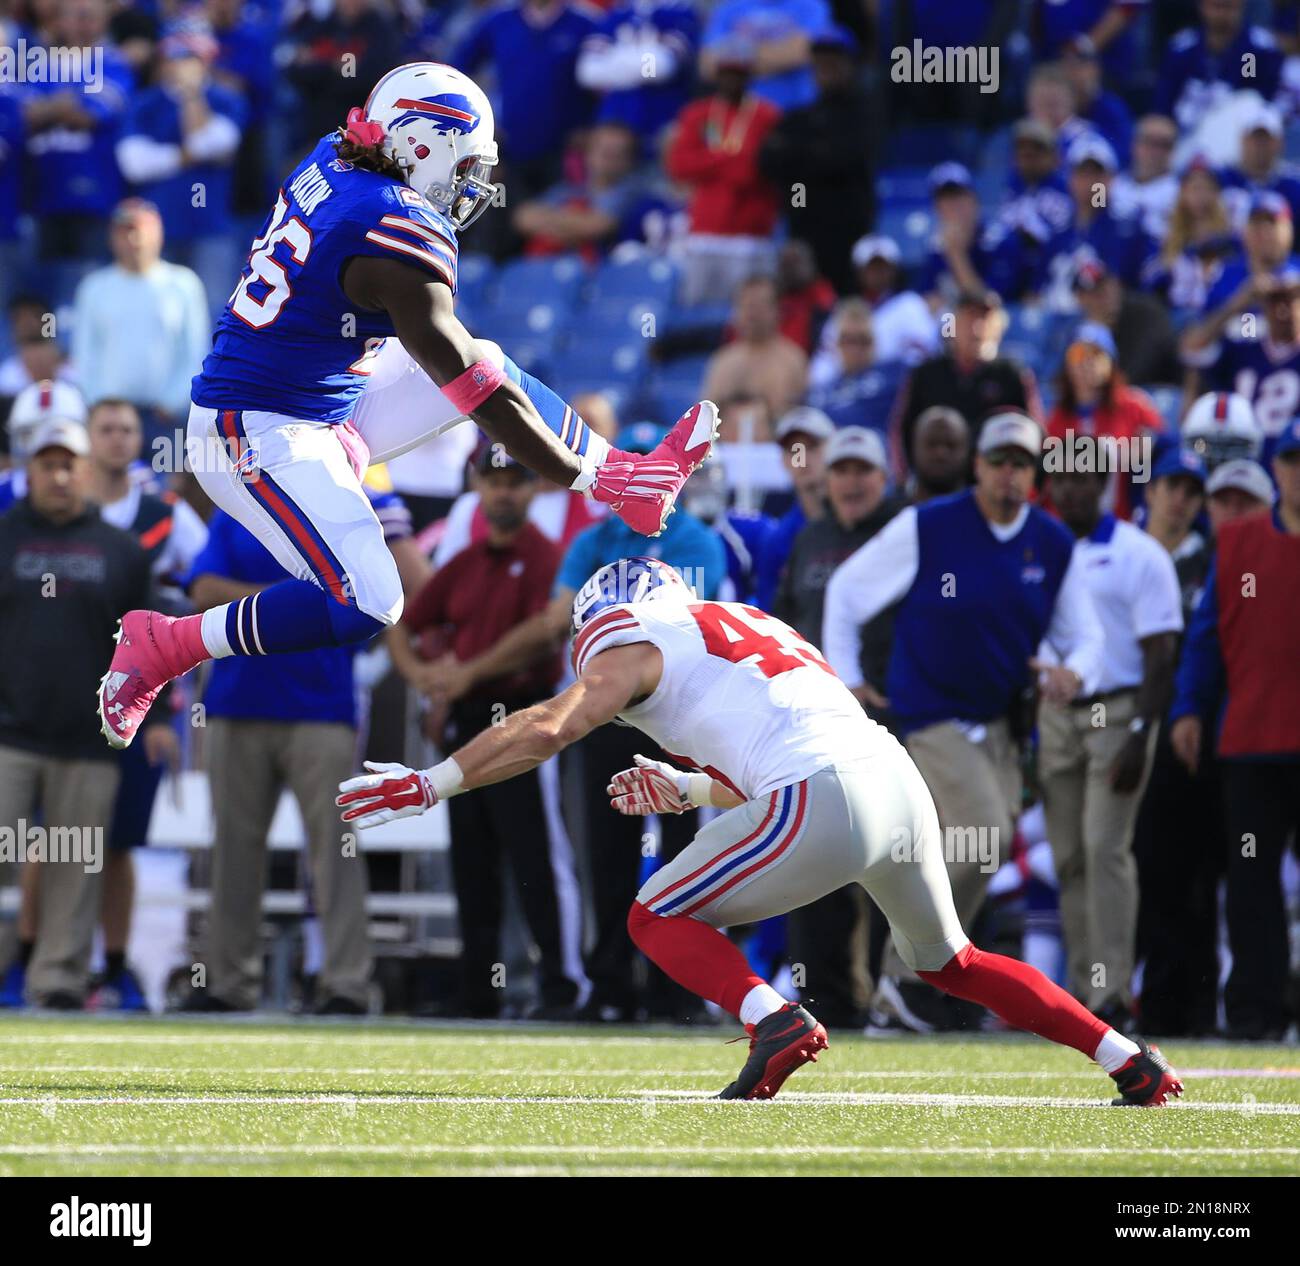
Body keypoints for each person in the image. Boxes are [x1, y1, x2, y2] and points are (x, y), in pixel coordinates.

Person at [338, 556, 1183, 1107]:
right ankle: (1126, 1059)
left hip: (824, 791)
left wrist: (432, 780)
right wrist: (685, 784)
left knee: (652, 915)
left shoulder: (634, 639)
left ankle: (773, 1018)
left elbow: (552, 725)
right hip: (892, 784)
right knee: (952, 962)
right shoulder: (744, 627)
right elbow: (771, 749)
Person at [98, 62, 719, 754]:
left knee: (482, 352)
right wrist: (581, 479)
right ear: (422, 144)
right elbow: (475, 394)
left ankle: (628, 477)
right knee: (371, 598)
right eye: (463, 166)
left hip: (314, 398)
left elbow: (464, 364)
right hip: (254, 433)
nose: (468, 188)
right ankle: (166, 643)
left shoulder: (338, 152)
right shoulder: (392, 225)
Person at [822, 412, 1105, 1033]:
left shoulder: (1052, 543)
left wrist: (1073, 673)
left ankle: (919, 984)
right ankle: (907, 976)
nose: (1008, 474)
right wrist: (845, 677)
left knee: (961, 848)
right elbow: (847, 589)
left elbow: (1085, 635)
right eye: (998, 461)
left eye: (1021, 464)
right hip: (928, 714)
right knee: (982, 833)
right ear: (977, 464)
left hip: (1002, 725)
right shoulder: (929, 524)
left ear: (1035, 475)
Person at [391, 443, 587, 1019]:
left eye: (515, 481)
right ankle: (480, 990)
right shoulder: (467, 560)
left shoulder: (549, 557)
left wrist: (461, 673)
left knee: (538, 857)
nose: (503, 491)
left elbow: (541, 636)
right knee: (472, 858)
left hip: (526, 716)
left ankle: (562, 986)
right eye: (493, 479)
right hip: (469, 718)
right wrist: (425, 677)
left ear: (533, 490)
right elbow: (407, 620)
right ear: (476, 485)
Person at [0, 415, 168, 1009]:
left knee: (75, 868)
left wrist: (163, 719)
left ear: (86, 470)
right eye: (48, 464)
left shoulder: (121, 551)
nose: (60, 475)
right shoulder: (3, 537)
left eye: (69, 463)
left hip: (89, 739)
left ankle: (59, 980)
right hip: (9, 737)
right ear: (28, 471)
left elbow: (149, 644)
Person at [1037, 464, 1183, 1028]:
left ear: (1104, 486)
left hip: (1116, 712)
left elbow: (1161, 653)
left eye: (1083, 479)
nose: (1071, 489)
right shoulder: (1042, 547)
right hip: (1055, 712)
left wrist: (1143, 732)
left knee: (1104, 849)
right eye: (1062, 479)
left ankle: (1114, 992)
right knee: (1070, 858)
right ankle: (1084, 993)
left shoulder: (1139, 552)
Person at [1168, 417, 1300, 1040]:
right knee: (1250, 883)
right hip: (1252, 740)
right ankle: (1254, 1011)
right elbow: (1205, 641)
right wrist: (1189, 710)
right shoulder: (1237, 543)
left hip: (1267, 736)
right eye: (1293, 459)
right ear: (1278, 470)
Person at [1131, 447, 1222, 1037]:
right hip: (1124, 728)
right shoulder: (1121, 554)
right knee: (1138, 869)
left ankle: (1193, 1006)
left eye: (1192, 488)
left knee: (1197, 874)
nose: (1180, 498)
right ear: (1150, 490)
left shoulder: (1213, 561)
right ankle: (1146, 999)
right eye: (1171, 485)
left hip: (1193, 736)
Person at [116, 24, 248, 313]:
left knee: (214, 312)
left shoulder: (226, 99)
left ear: (206, 62)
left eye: (190, 59)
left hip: (211, 226)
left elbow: (215, 144)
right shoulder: (145, 103)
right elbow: (133, 164)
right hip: (155, 229)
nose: (180, 67)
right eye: (175, 59)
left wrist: (191, 97)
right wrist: (184, 155)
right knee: (155, 313)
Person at [71, 199, 211, 435]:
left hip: (166, 418)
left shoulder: (184, 284)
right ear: (112, 238)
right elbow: (85, 354)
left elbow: (196, 352)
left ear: (159, 233)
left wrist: (172, 403)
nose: (134, 240)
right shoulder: (93, 288)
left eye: (141, 230)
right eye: (125, 232)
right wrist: (99, 404)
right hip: (111, 419)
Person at [757, 24, 874, 294]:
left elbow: (843, 157)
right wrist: (814, 151)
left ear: (850, 63)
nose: (827, 65)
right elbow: (767, 161)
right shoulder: (799, 116)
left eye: (834, 58)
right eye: (820, 59)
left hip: (849, 236)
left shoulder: (866, 110)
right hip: (803, 230)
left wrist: (797, 154)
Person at [665, 39, 782, 307]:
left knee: (749, 314)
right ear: (717, 75)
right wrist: (731, 158)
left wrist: (711, 164)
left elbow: (758, 171)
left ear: (749, 76)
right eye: (727, 73)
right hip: (704, 234)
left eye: (738, 73)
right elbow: (680, 165)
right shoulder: (698, 114)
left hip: (751, 235)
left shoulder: (767, 115)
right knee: (695, 312)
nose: (732, 80)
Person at [890, 288, 1040, 478]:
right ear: (952, 325)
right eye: (969, 319)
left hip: (992, 484)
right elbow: (900, 429)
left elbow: (1035, 432)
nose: (977, 328)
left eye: (985, 320)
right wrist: (905, 480)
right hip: (935, 484)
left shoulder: (1013, 375)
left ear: (999, 328)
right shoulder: (926, 374)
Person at [1044, 321, 1165, 520]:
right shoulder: (1056, 419)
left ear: (1112, 363)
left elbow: (1159, 457)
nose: (1087, 362)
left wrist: (1144, 452)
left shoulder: (1136, 408)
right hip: (1070, 523)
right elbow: (1051, 481)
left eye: (1097, 355)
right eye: (1079, 355)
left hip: (1125, 519)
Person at [702, 275, 808, 422]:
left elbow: (799, 422)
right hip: (726, 442)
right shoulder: (722, 361)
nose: (752, 313)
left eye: (759, 305)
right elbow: (705, 420)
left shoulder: (793, 360)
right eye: (745, 305)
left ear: (777, 310)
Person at [1072, 257, 1180, 387]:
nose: (1104, 296)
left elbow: (1139, 368)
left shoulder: (1146, 312)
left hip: (1160, 387)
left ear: (1117, 284)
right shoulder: (1080, 326)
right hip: (1115, 392)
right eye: (1095, 293)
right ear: (1080, 299)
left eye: (1106, 287)